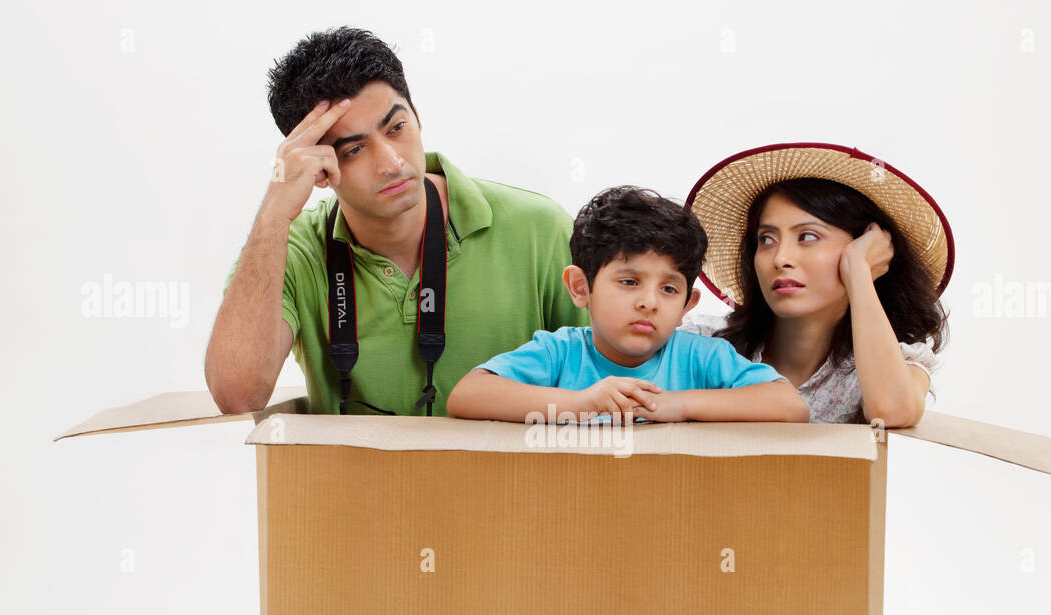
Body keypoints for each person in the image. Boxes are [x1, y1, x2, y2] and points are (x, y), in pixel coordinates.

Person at [205, 27, 588, 416]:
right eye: (354, 149)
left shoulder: (541, 229)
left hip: (519, 478)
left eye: (396, 128)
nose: (392, 163)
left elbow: (623, 376)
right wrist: (274, 211)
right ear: (319, 168)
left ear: (417, 116)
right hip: (355, 480)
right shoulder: (289, 250)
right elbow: (238, 397)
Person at [446, 186, 807, 424]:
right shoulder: (558, 353)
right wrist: (583, 403)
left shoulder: (703, 358)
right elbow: (466, 395)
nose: (649, 302)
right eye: (629, 282)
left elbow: (790, 406)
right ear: (580, 287)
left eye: (668, 289)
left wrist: (679, 404)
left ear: (687, 305)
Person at [681, 143, 954, 427]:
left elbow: (890, 412)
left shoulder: (893, 364)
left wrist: (859, 272)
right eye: (766, 240)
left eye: (808, 237)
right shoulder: (705, 345)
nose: (781, 258)